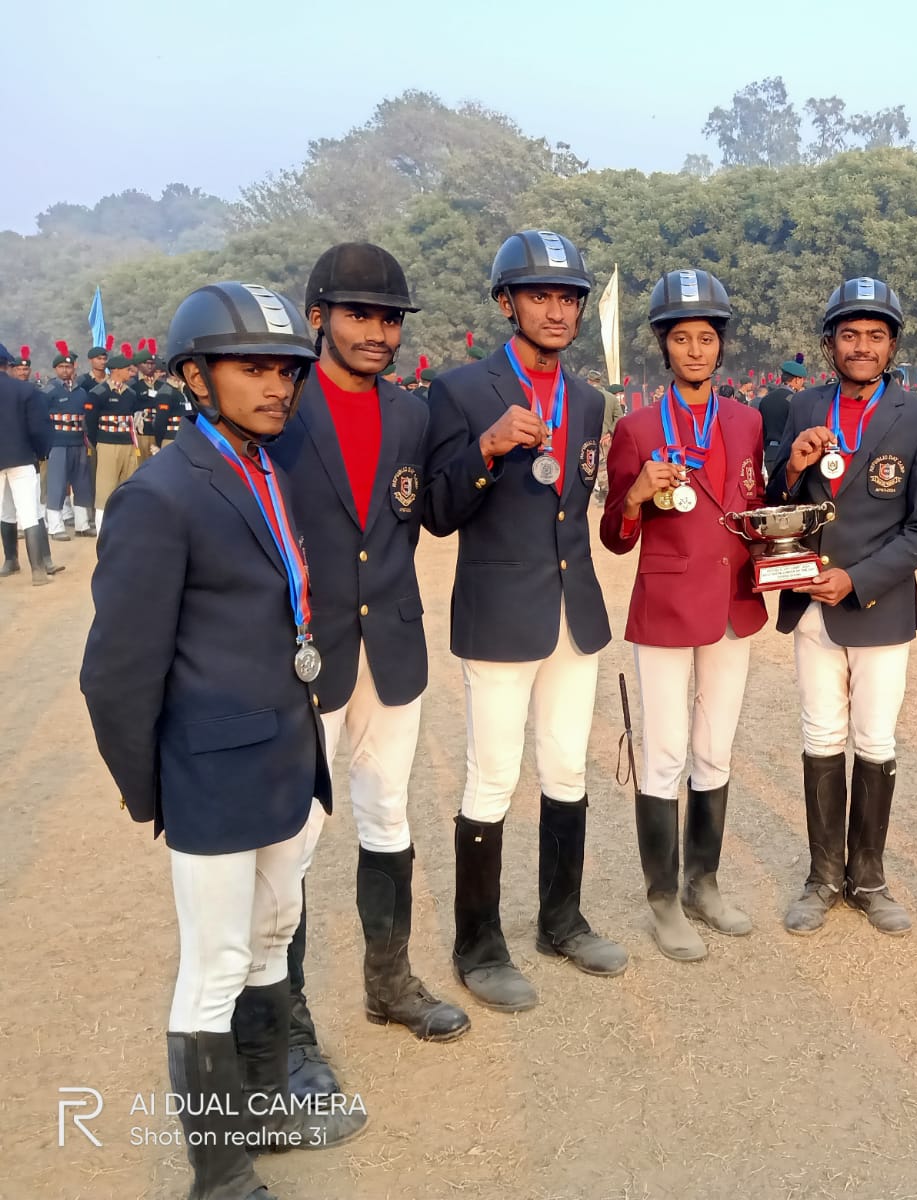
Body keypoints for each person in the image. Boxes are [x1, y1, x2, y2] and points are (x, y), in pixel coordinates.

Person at [81, 283, 367, 1198]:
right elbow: (116, 672)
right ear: (195, 376)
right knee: (211, 971)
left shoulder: (265, 470)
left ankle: (268, 1107)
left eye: (286, 368)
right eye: (253, 368)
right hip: (210, 776)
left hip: (286, 759)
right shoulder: (162, 494)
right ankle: (220, 1172)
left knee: (275, 936)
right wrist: (159, 788)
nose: (279, 385)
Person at [268, 243, 470, 1100]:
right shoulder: (281, 406)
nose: (378, 332)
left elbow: (438, 514)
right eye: (360, 314)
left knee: (387, 819)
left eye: (390, 318)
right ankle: (290, 1032)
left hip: (390, 644)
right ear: (317, 318)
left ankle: (389, 984)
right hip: (304, 655)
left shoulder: (413, 415)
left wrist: (487, 455)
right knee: (292, 846)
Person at [421, 229, 627, 1011]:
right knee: (493, 775)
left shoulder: (588, 400)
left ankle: (562, 920)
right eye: (538, 295)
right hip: (501, 613)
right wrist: (487, 447)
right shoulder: (461, 390)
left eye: (568, 297)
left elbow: (572, 499)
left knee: (567, 770)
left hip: (573, 611)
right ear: (506, 303)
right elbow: (440, 512)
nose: (556, 309)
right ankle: (477, 943)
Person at [767, 278, 917, 939]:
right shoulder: (802, 404)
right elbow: (775, 496)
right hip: (811, 601)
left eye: (874, 336)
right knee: (820, 736)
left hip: (879, 603)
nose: (861, 347)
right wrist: (793, 466)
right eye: (848, 335)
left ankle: (867, 877)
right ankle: (821, 877)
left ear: (892, 345)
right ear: (828, 345)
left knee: (873, 739)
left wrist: (858, 578)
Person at [600, 269, 767, 961]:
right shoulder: (638, 426)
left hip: (734, 603)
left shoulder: (748, 420)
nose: (695, 350)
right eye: (681, 339)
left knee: (713, 749)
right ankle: (662, 899)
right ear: (663, 348)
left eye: (706, 338)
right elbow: (615, 535)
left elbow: (755, 506)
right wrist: (635, 494)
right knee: (664, 753)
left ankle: (703, 882)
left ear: (720, 347)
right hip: (666, 606)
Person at [0, 344, 54, 584]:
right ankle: (38, 571)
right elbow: (38, 428)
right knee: (30, 512)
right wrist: (41, 453)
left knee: (6, 512)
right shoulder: (24, 390)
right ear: (7, 366)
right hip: (22, 457)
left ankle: (10, 560)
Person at [41, 343, 95, 540]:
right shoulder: (49, 391)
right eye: (62, 367)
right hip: (57, 443)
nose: (66, 370)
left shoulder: (81, 392)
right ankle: (55, 527)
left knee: (82, 483)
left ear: (74, 368)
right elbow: (41, 417)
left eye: (69, 366)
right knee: (57, 484)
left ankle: (82, 524)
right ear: (56, 369)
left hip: (78, 442)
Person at [88, 348, 142, 531]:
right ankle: (102, 531)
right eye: (128, 369)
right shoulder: (99, 392)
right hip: (107, 444)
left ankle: (126, 527)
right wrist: (98, 443)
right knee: (105, 489)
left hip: (128, 445)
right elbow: (91, 421)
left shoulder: (131, 394)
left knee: (128, 486)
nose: (131, 372)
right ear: (117, 370)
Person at [760, 357, 804, 476]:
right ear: (796, 380)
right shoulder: (795, 400)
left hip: (770, 454)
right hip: (788, 455)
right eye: (802, 380)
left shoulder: (765, 400)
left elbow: (762, 430)